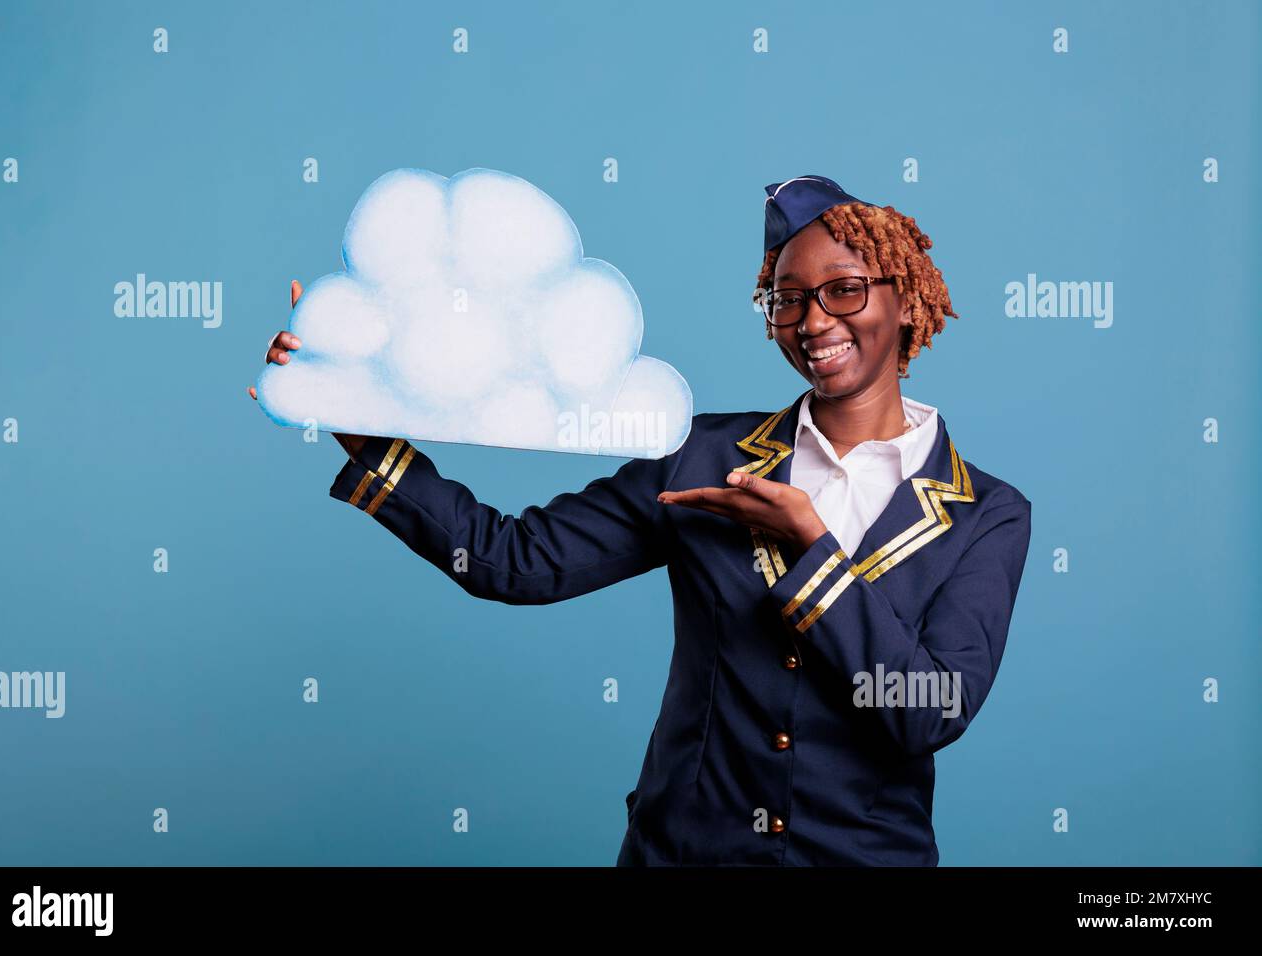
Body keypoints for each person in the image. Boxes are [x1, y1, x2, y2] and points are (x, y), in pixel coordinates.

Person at [248, 175, 1032, 866]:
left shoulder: (985, 513)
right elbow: (513, 561)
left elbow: (925, 710)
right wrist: (363, 423)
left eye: (846, 289)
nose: (814, 319)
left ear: (908, 293)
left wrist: (811, 545)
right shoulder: (701, 453)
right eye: (788, 298)